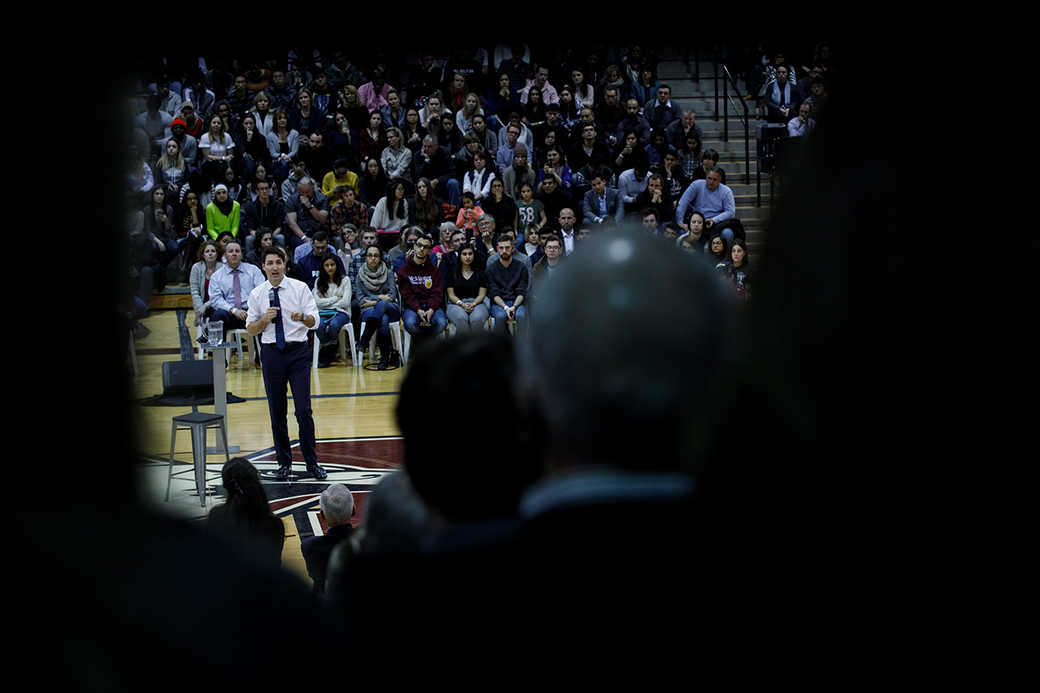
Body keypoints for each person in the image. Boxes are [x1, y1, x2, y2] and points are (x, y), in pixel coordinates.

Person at [246, 245, 326, 480]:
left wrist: (302, 317)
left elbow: (316, 322)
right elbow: (251, 330)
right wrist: (263, 319)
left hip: (298, 352)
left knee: (303, 409)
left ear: (285, 265)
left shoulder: (300, 288)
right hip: (271, 353)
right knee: (276, 411)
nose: (274, 267)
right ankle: (284, 462)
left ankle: (312, 462)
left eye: (278, 263)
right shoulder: (257, 294)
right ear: (263, 267)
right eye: (269, 263)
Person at [207, 457, 285, 567]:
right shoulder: (274, 524)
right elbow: (275, 565)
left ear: (225, 487)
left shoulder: (216, 517)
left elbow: (211, 561)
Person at [301, 484, 356, 595]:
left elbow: (312, 574)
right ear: (353, 510)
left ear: (322, 515)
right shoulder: (369, 544)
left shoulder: (310, 546)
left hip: (324, 606)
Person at [355, 243, 400, 370]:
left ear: (380, 258)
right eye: (370, 255)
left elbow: (391, 296)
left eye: (376, 255)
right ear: (365, 257)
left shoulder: (389, 273)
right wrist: (380, 298)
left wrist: (374, 301)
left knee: (383, 307)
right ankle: (384, 358)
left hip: (391, 308)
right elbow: (360, 301)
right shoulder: (360, 276)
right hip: (368, 310)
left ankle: (364, 340)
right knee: (383, 319)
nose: (373, 258)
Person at [398, 234, 447, 351]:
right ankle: (428, 346)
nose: (421, 249)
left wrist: (431, 309)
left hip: (433, 306)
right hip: (412, 307)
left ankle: (421, 345)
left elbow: (437, 293)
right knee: (410, 325)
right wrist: (418, 310)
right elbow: (407, 295)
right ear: (414, 246)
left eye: (425, 247)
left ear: (430, 251)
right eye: (419, 245)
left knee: (441, 324)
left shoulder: (434, 270)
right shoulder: (404, 270)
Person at [208, 237, 266, 336]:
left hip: (251, 313)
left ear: (241, 255)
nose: (234, 254)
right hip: (229, 313)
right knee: (217, 315)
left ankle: (262, 351)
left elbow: (262, 292)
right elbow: (216, 299)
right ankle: (218, 350)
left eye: (237, 251)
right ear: (225, 255)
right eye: (230, 251)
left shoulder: (253, 270)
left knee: (265, 315)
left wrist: (252, 310)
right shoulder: (217, 276)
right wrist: (233, 310)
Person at [675, 166, 740, 244]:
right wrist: (680, 221)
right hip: (697, 221)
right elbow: (683, 202)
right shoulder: (697, 185)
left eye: (714, 179)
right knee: (682, 232)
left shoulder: (726, 191)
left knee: (727, 233)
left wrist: (714, 220)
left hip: (718, 223)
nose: (711, 182)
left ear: (720, 180)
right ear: (706, 177)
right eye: (709, 178)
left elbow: (730, 212)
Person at [313, 255, 353, 367]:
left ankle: (327, 352)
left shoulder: (345, 280)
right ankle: (330, 348)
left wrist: (325, 301)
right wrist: (336, 298)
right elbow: (316, 302)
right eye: (327, 265)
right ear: (323, 267)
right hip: (322, 312)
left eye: (332, 265)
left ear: (337, 265)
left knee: (334, 325)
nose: (330, 268)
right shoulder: (318, 281)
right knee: (318, 325)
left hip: (342, 312)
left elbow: (345, 302)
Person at [487, 234, 529, 334]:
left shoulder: (521, 267)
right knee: (500, 316)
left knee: (522, 316)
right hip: (499, 303)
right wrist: (506, 307)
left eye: (507, 247)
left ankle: (522, 347)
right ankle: (502, 347)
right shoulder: (492, 268)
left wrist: (514, 306)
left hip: (517, 302)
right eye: (501, 248)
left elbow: (521, 291)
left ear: (513, 248)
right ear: (497, 249)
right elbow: (494, 293)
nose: (504, 251)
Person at [445, 243, 489, 332]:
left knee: (478, 318)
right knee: (461, 318)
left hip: (477, 303)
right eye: (464, 254)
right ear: (460, 256)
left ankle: (477, 345)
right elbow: (451, 295)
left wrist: (473, 304)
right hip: (456, 303)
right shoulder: (452, 274)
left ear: (474, 255)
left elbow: (481, 294)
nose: (467, 257)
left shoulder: (480, 274)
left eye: (470, 254)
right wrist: (462, 304)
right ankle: (464, 345)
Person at [285, 177, 330, 248]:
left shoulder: (322, 198)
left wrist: (310, 206)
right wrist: (304, 237)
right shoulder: (291, 200)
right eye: (302, 192)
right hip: (298, 234)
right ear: (298, 190)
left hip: (317, 231)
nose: (305, 195)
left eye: (307, 192)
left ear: (312, 190)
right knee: (301, 245)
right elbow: (292, 223)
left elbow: (323, 219)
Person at [190, 239, 222, 327]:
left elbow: (221, 294)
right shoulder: (196, 268)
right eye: (207, 251)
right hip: (201, 304)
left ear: (217, 253)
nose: (210, 253)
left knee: (217, 314)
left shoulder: (223, 268)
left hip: (218, 303)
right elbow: (194, 292)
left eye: (213, 251)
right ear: (203, 255)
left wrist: (205, 306)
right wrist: (200, 308)